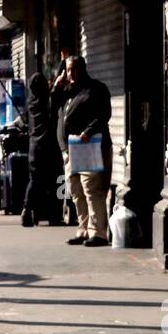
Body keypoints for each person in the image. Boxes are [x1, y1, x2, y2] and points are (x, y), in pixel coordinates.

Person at [51, 55, 112, 246]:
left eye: (75, 69)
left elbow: (104, 114)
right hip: (70, 149)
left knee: (92, 189)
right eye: (68, 70)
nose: (72, 74)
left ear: (83, 69)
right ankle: (83, 229)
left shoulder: (95, 89)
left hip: (90, 146)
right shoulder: (66, 91)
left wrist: (88, 131)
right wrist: (56, 87)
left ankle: (98, 233)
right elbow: (51, 110)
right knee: (76, 191)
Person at [22, 72, 65, 227]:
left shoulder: (31, 103)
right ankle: (55, 214)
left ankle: (27, 210)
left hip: (34, 148)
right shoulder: (47, 101)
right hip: (50, 147)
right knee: (57, 180)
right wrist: (57, 84)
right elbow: (55, 98)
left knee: (35, 181)